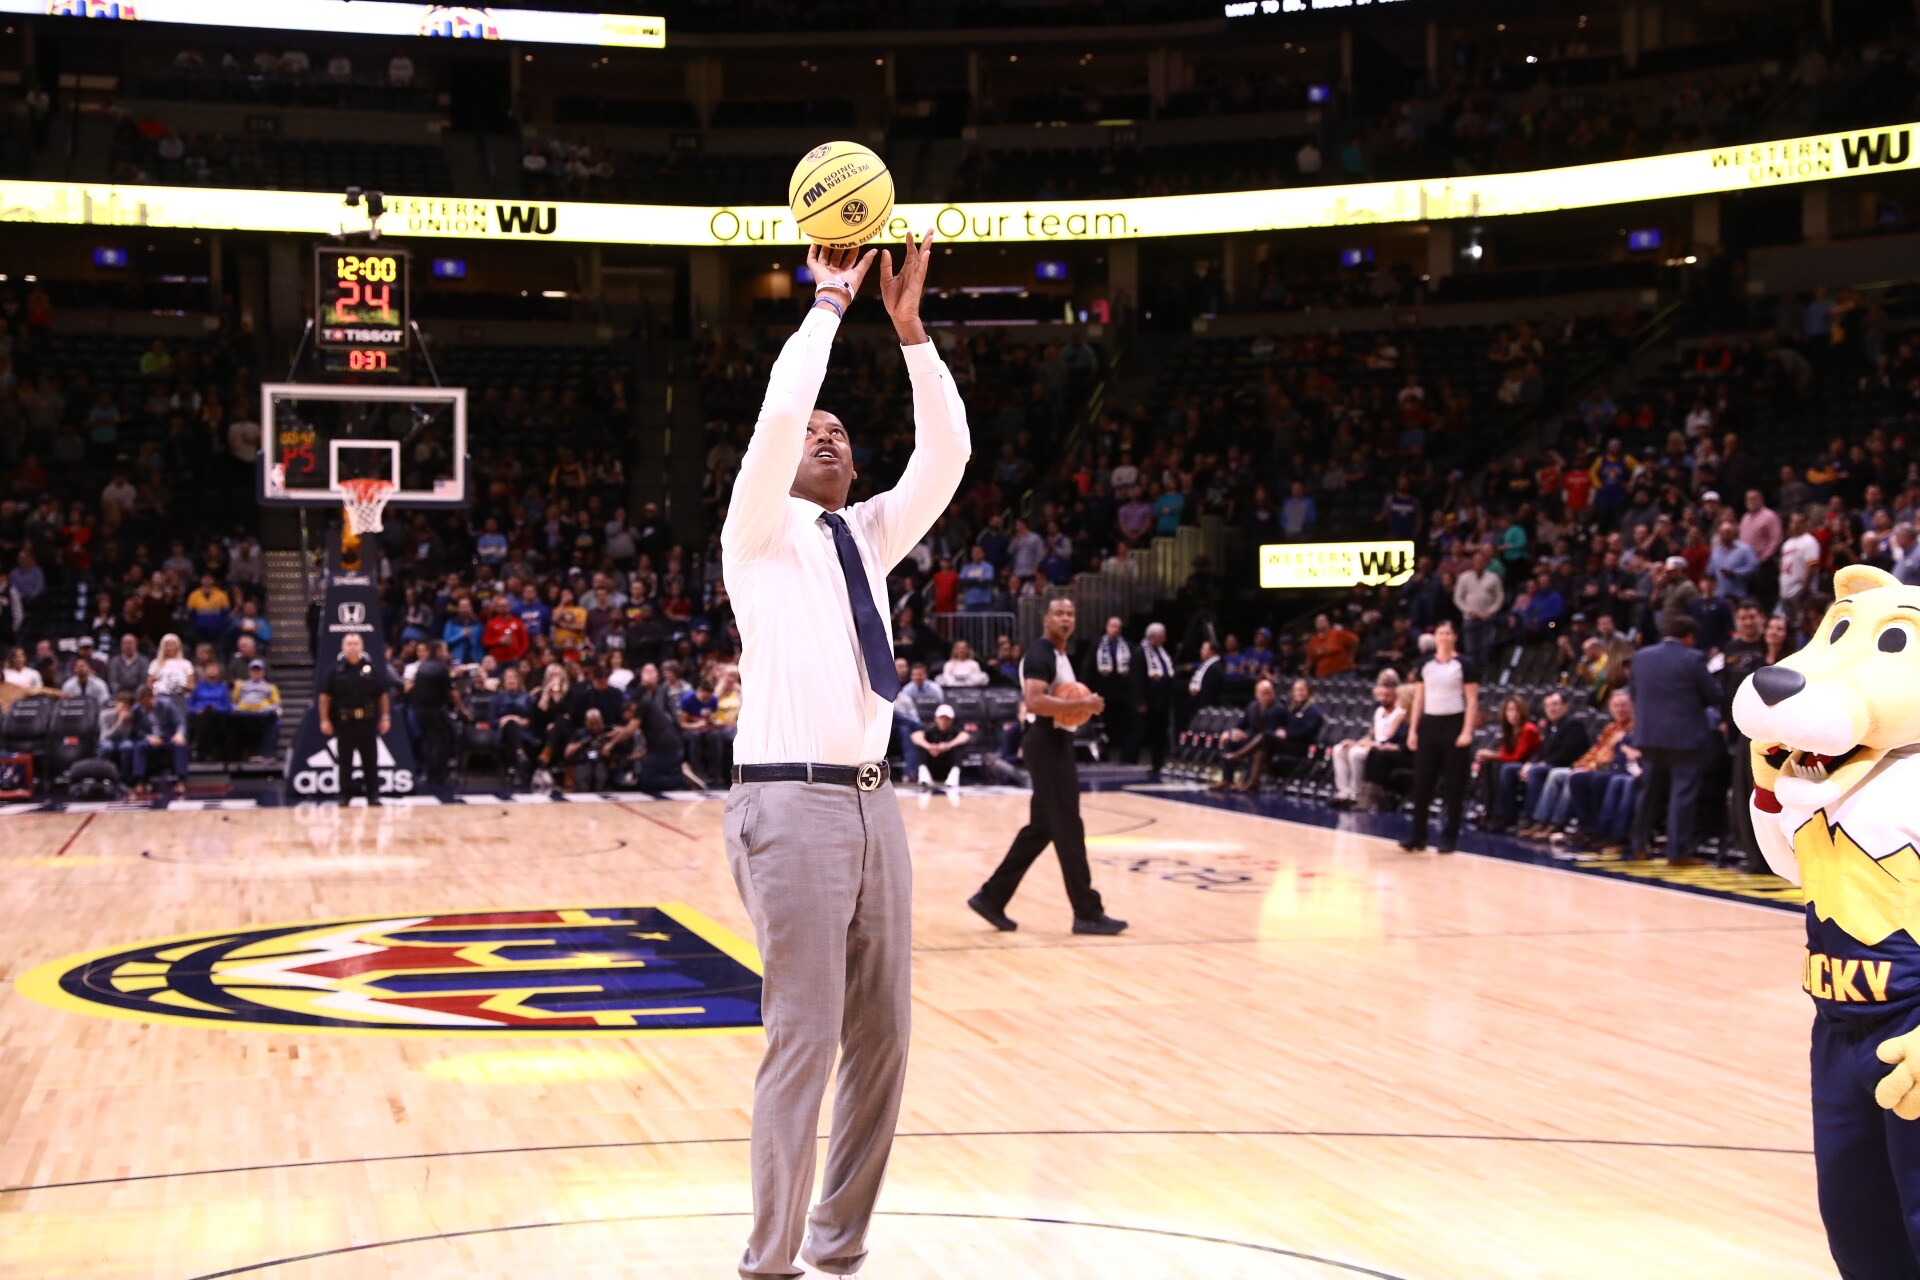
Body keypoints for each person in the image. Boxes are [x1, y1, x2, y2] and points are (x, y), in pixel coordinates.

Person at [718, 234, 968, 1280]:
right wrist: (827, 305)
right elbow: (781, 415)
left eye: (841, 432)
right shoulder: (756, 532)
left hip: (875, 803)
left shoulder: (866, 534)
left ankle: (839, 1241)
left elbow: (947, 459)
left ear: (855, 467)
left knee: (885, 1038)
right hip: (789, 805)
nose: (824, 432)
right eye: (814, 430)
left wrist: (911, 335)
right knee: (807, 1035)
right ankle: (769, 1257)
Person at [971, 595, 1126, 936]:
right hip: (1047, 742)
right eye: (1059, 613)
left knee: (1041, 828)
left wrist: (1078, 706)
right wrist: (1083, 703)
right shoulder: (1041, 654)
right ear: (1046, 619)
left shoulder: (1059, 655)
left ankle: (991, 897)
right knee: (1069, 827)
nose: (1066, 619)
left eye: (1070, 613)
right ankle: (1087, 912)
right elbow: (1034, 701)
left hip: (1054, 743)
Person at [1626, 614, 1722, 865]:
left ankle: (1638, 846)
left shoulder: (1641, 656)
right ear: (1690, 637)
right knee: (1682, 795)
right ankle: (1677, 852)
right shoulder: (1693, 658)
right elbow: (1713, 695)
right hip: (1685, 736)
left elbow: (1634, 694)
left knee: (1648, 793)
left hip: (1649, 735)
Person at [1402, 619, 1479, 854]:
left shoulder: (1464, 664)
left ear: (1455, 637)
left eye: (1448, 633)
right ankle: (1418, 836)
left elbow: (1472, 700)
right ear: (1435, 637)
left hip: (1454, 723)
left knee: (1454, 786)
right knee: (1422, 783)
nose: (1444, 637)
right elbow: (1418, 700)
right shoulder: (1424, 664)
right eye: (1440, 633)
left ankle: (1449, 838)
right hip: (1429, 724)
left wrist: (1467, 731)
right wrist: (1413, 730)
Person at [1502, 690, 1590, 834]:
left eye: (1555, 704)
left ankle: (1532, 818)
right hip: (1549, 764)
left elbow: (1568, 752)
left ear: (1565, 706)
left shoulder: (1574, 725)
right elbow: (1541, 751)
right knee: (1509, 769)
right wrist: (1530, 763)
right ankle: (1505, 816)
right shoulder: (1549, 726)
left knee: (1536, 771)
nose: (1551, 709)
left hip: (1566, 765)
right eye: (1547, 706)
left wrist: (1541, 764)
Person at [318, 632, 390, 805]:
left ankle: (373, 794)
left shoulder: (371, 670)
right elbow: (325, 696)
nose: (352, 647)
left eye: (356, 643)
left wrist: (385, 717)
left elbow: (382, 695)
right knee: (345, 760)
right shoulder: (335, 671)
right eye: (349, 643)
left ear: (362, 647)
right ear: (342, 647)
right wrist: (324, 719)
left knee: (370, 758)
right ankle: (344, 794)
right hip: (344, 722)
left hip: (367, 721)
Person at [1330, 673, 1404, 807]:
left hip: (1381, 749)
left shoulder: (1399, 713)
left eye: (1387, 696)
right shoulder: (1378, 711)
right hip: (1371, 744)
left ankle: (1355, 794)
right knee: (1339, 749)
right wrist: (1355, 742)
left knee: (1356, 753)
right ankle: (1343, 792)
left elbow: (1388, 738)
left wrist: (1367, 744)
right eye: (1382, 695)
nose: (1383, 698)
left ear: (1395, 696)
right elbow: (1372, 735)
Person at [1474, 694, 1540, 826]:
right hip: (1514, 763)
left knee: (1502, 767)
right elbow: (1505, 753)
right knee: (1488, 764)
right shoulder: (1509, 729)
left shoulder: (1528, 729)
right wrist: (1489, 756)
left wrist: (1492, 754)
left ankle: (1503, 814)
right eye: (1510, 710)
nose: (1514, 714)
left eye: (1517, 710)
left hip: (1529, 764)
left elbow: (1517, 757)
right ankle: (1489, 810)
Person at [406, 640, 463, 785]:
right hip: (435, 711)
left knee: (428, 742)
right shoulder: (440, 668)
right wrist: (463, 709)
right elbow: (452, 693)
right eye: (444, 650)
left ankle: (428, 774)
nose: (446, 653)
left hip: (420, 711)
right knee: (440, 742)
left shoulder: (422, 666)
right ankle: (439, 776)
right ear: (438, 651)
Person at [1129, 621, 1178, 775]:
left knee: (1159, 734)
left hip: (1161, 701)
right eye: (1162, 636)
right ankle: (1130, 762)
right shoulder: (1139, 652)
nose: (1165, 639)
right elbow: (1136, 679)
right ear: (1153, 636)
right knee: (1140, 732)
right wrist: (1140, 702)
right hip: (1146, 701)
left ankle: (1158, 763)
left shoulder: (1162, 652)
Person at [911, 704, 970, 789]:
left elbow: (965, 736)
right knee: (920, 745)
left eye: (947, 719)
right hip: (932, 762)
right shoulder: (929, 729)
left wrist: (948, 745)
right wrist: (929, 747)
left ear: (952, 720)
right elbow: (915, 736)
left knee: (959, 746)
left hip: (948, 763)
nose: (944, 721)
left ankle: (953, 777)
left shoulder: (955, 730)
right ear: (936, 719)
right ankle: (924, 776)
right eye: (941, 718)